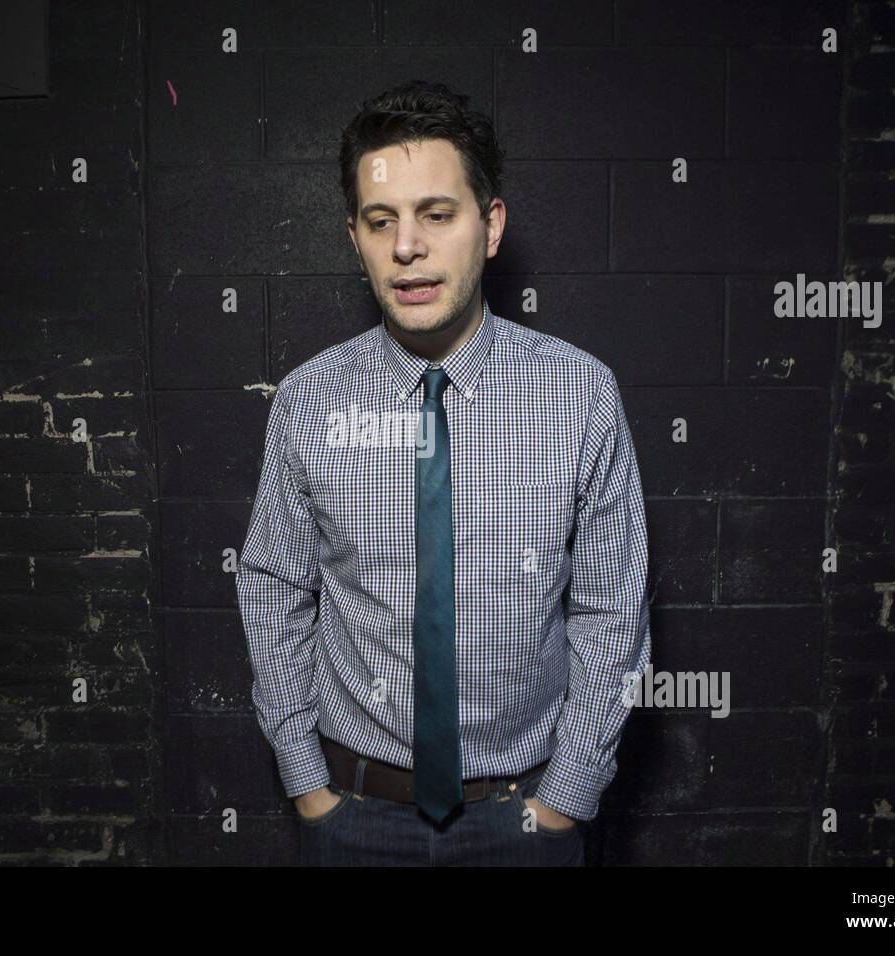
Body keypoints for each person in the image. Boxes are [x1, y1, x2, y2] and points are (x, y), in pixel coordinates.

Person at [235, 79, 651, 866]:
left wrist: (567, 797)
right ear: (355, 236)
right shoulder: (306, 401)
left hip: (524, 819)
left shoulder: (581, 394)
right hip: (354, 817)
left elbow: (612, 613)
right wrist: (308, 788)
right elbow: (272, 586)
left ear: (490, 226)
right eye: (380, 220)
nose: (407, 249)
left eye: (438, 214)